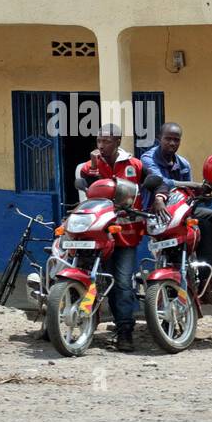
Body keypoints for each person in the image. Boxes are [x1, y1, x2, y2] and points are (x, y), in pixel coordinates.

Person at [140, 122, 212, 304]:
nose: (172, 143)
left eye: (176, 140)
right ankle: (206, 280)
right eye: (168, 139)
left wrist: (203, 191)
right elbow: (161, 181)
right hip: (157, 213)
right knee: (202, 225)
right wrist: (193, 185)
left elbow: (189, 195)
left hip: (181, 210)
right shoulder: (148, 158)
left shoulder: (183, 164)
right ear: (159, 139)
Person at [75, 123, 144, 352]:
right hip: (98, 232)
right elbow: (86, 186)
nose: (101, 145)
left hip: (126, 234)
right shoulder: (90, 166)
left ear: (117, 142)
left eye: (106, 141)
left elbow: (154, 183)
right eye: (98, 141)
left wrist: (159, 198)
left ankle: (125, 331)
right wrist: (93, 169)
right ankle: (80, 324)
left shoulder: (134, 165)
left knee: (123, 282)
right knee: (92, 277)